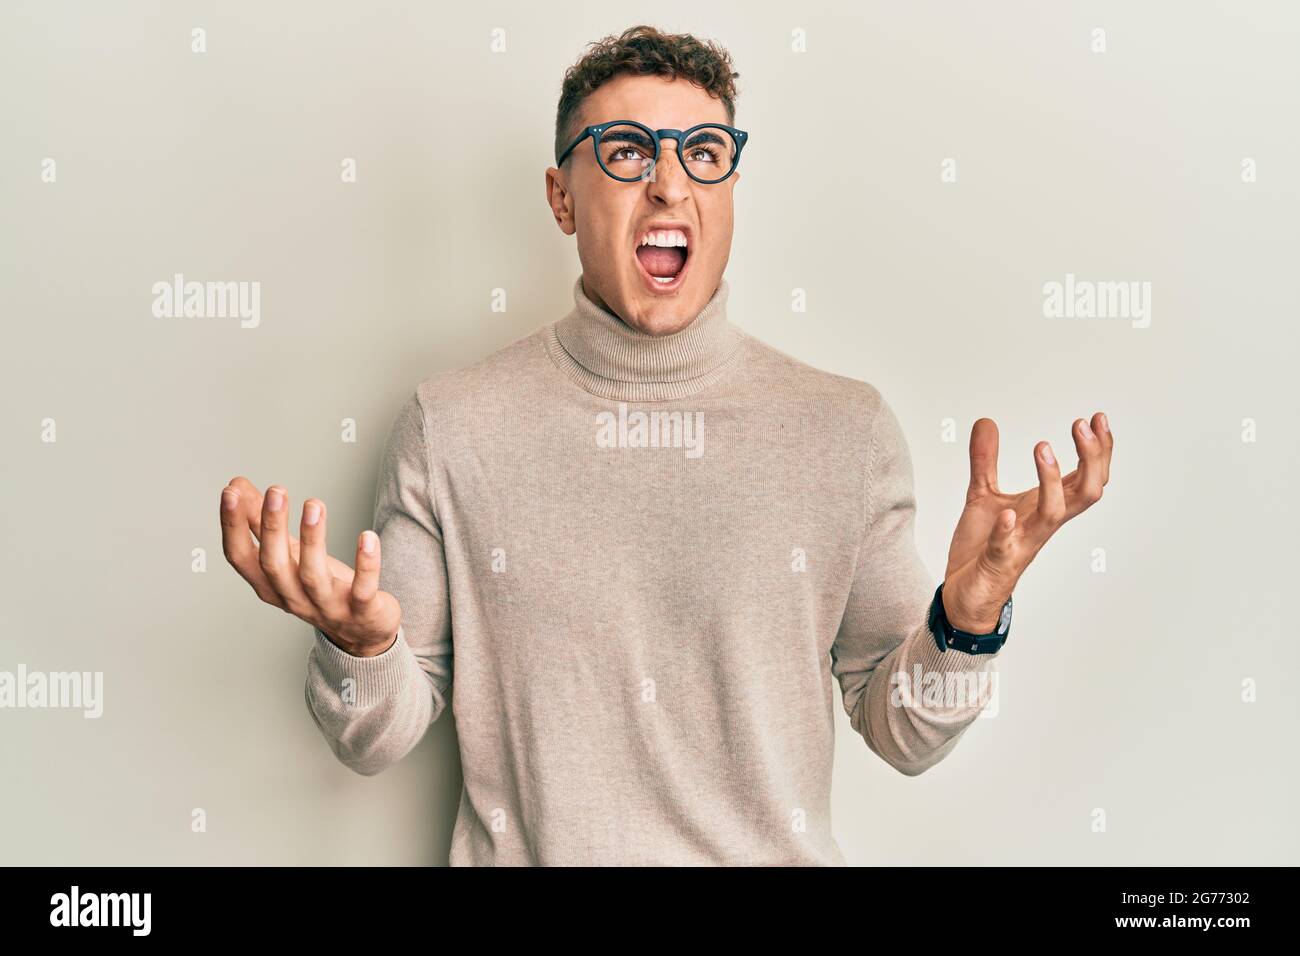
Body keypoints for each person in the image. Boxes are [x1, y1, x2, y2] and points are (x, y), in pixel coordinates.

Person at [219, 25, 1113, 865]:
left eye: (704, 154)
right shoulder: (451, 424)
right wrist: (366, 650)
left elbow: (905, 732)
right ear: (561, 198)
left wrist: (969, 617)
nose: (669, 183)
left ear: (728, 191)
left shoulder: (845, 430)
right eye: (626, 151)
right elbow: (374, 739)